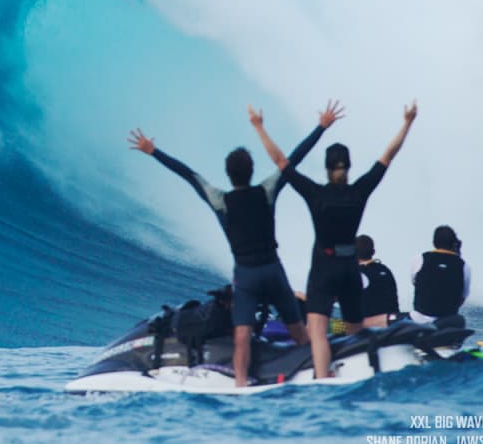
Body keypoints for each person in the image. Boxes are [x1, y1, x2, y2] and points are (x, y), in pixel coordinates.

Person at [126, 101, 342, 387]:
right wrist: (321, 128)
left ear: (229, 174)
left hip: (247, 277)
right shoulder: (267, 190)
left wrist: (153, 152)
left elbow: (188, 174)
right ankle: (317, 374)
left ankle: (240, 386)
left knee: (242, 339)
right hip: (273, 272)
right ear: (251, 170)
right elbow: (292, 160)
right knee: (299, 332)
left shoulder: (220, 200)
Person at [253, 100, 416, 379]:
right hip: (350, 270)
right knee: (355, 331)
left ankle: (322, 378)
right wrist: (407, 122)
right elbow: (388, 156)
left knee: (318, 332)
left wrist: (259, 126)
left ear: (327, 168)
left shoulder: (315, 194)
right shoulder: (359, 192)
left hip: (323, 268)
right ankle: (359, 372)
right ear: (348, 167)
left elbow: (281, 162)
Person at [410, 225, 471, 325]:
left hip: (419, 318)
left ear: (434, 242)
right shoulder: (464, 265)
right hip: (448, 321)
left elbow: (414, 282)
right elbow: (463, 297)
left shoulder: (419, 258)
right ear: (453, 243)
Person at [356, 234, 400, 328]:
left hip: (369, 324)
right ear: (373, 252)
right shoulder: (385, 270)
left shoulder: (356, 274)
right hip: (391, 320)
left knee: (331, 324)